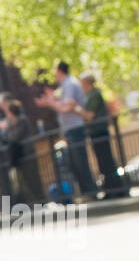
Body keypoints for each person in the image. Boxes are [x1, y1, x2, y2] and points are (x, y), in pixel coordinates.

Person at [39, 61, 96, 197]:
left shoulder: (70, 83)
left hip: (75, 127)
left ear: (59, 70)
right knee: (76, 162)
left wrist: (51, 102)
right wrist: (53, 100)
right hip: (71, 128)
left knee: (80, 162)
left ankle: (90, 192)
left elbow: (68, 106)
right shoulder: (66, 85)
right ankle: (86, 192)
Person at [79, 72, 128, 198]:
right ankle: (111, 188)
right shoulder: (89, 95)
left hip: (99, 131)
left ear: (87, 83)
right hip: (95, 132)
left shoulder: (94, 94)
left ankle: (116, 189)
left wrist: (76, 109)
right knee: (103, 161)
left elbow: (90, 115)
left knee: (106, 160)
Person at [1, 95, 43, 205]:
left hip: (26, 151)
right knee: (23, 180)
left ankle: (39, 200)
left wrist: (6, 130)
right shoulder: (12, 122)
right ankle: (29, 201)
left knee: (32, 177)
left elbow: (14, 136)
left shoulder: (21, 120)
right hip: (18, 154)